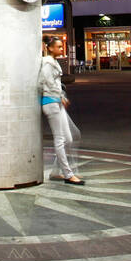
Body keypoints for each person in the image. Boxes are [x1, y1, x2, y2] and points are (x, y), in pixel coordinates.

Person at [38, 36, 84, 185]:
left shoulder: (53, 62)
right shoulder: (47, 64)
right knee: (60, 139)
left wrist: (61, 96)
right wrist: (59, 96)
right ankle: (68, 174)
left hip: (57, 102)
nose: (61, 49)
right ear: (50, 48)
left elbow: (55, 84)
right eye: (58, 47)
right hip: (51, 103)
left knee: (69, 138)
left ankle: (56, 171)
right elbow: (45, 82)